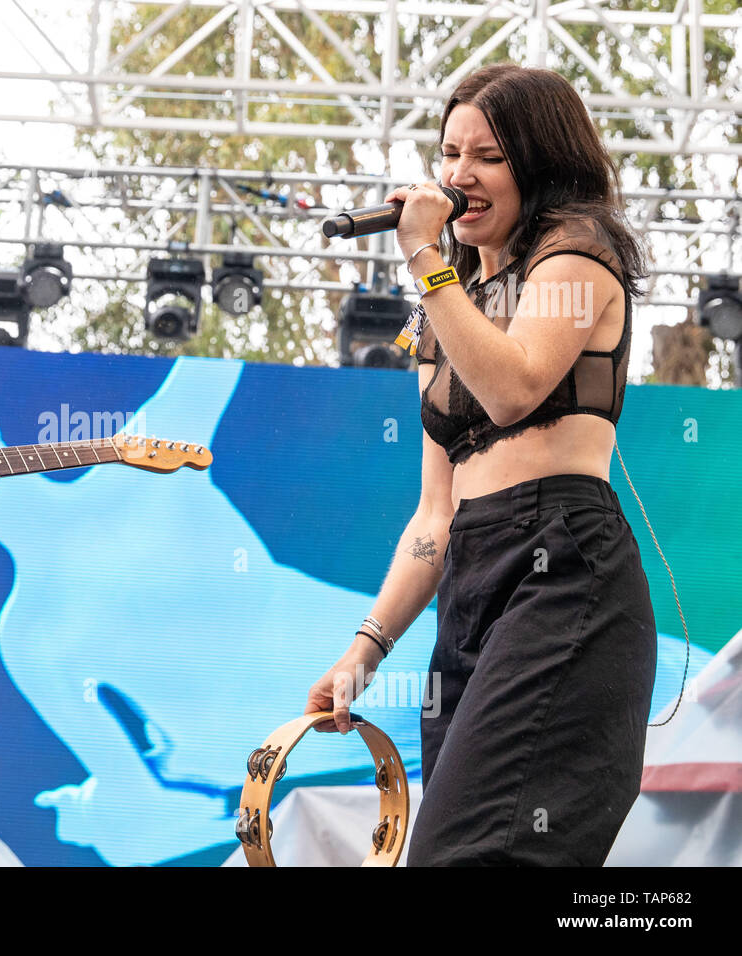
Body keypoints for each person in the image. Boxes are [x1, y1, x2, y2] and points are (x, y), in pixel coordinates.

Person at [305, 64, 657, 866]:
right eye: (449, 153)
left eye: (488, 156)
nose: (460, 175)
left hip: (562, 569)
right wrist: (366, 649)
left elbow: (515, 388)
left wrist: (427, 260)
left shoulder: (575, 253)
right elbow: (435, 515)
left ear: (540, 161)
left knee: (477, 852)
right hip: (471, 585)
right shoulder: (447, 308)